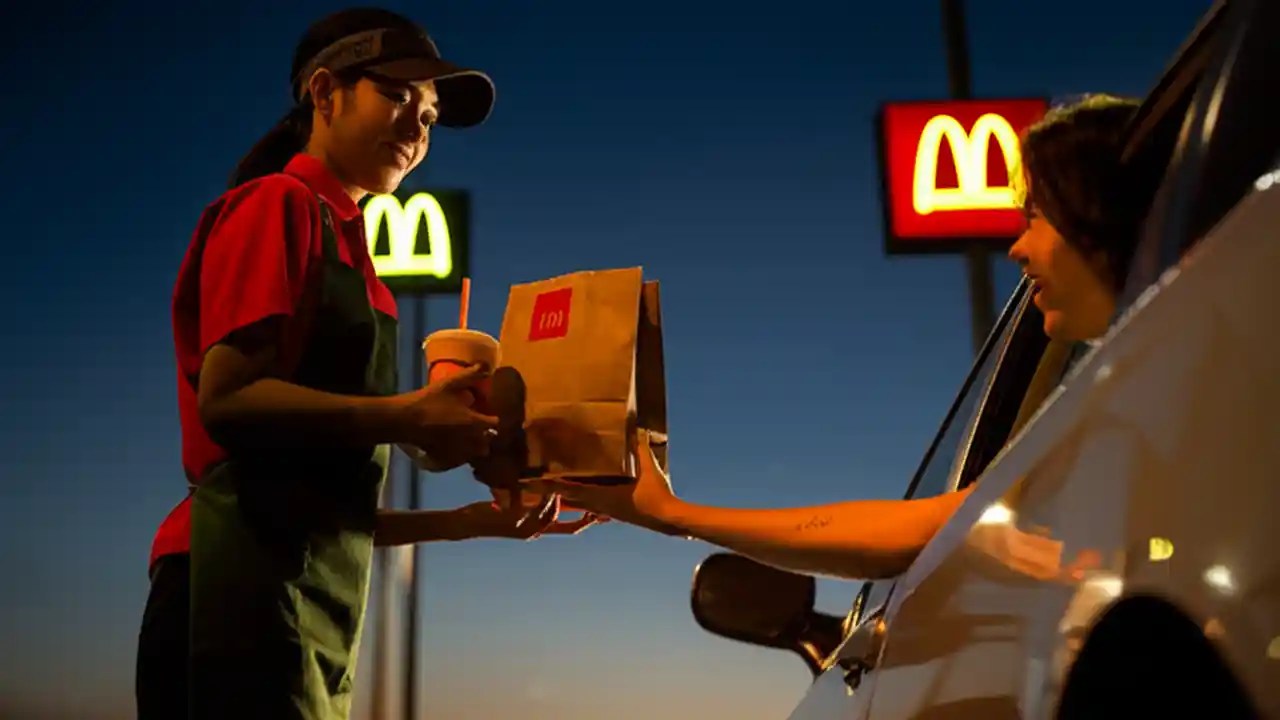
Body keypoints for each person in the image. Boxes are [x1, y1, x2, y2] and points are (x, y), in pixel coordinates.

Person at [135, 9, 597, 719]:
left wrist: (471, 519)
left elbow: (332, 515)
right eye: (398, 97)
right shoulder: (278, 205)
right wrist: (404, 414)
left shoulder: (361, 261)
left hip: (302, 598)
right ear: (325, 94)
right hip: (229, 589)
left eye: (431, 117)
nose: (417, 129)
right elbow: (226, 402)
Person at [536, 94, 1147, 582]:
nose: (1015, 248)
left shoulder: (1154, 397)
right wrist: (670, 515)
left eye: (1036, 215)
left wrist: (673, 517)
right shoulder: (1127, 397)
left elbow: (912, 535)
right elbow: (926, 527)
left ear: (1100, 212)